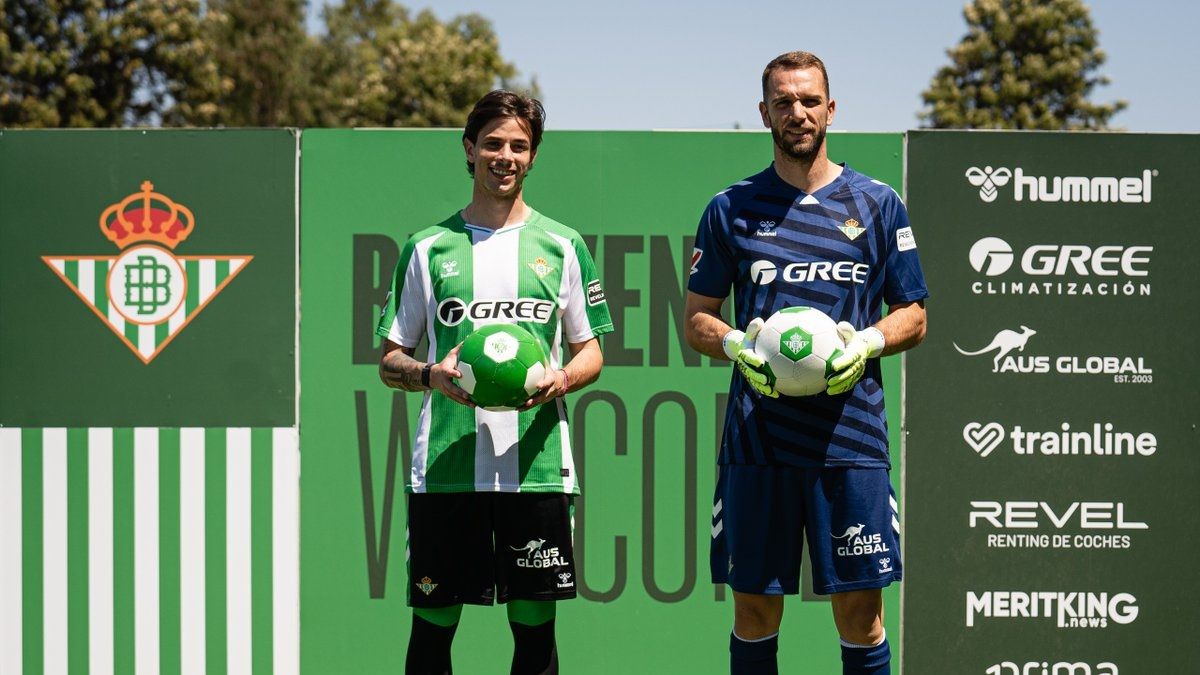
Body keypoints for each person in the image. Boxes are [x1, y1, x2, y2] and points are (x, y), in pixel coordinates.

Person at [683, 51, 928, 675]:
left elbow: (914, 315)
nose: (798, 113)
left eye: (809, 100)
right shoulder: (730, 208)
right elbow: (698, 319)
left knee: (860, 617)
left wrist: (867, 343)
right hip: (757, 443)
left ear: (831, 109)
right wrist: (738, 345)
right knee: (755, 616)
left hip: (851, 440)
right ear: (764, 112)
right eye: (784, 102)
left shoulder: (878, 203)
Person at [376, 90, 612, 675]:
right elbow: (389, 360)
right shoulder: (427, 248)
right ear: (469, 149)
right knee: (431, 634)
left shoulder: (563, 245)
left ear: (532, 157)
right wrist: (431, 373)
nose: (505, 156)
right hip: (447, 472)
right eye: (493, 143)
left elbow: (591, 352)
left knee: (535, 639)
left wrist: (562, 377)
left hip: (536, 471)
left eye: (518, 146)